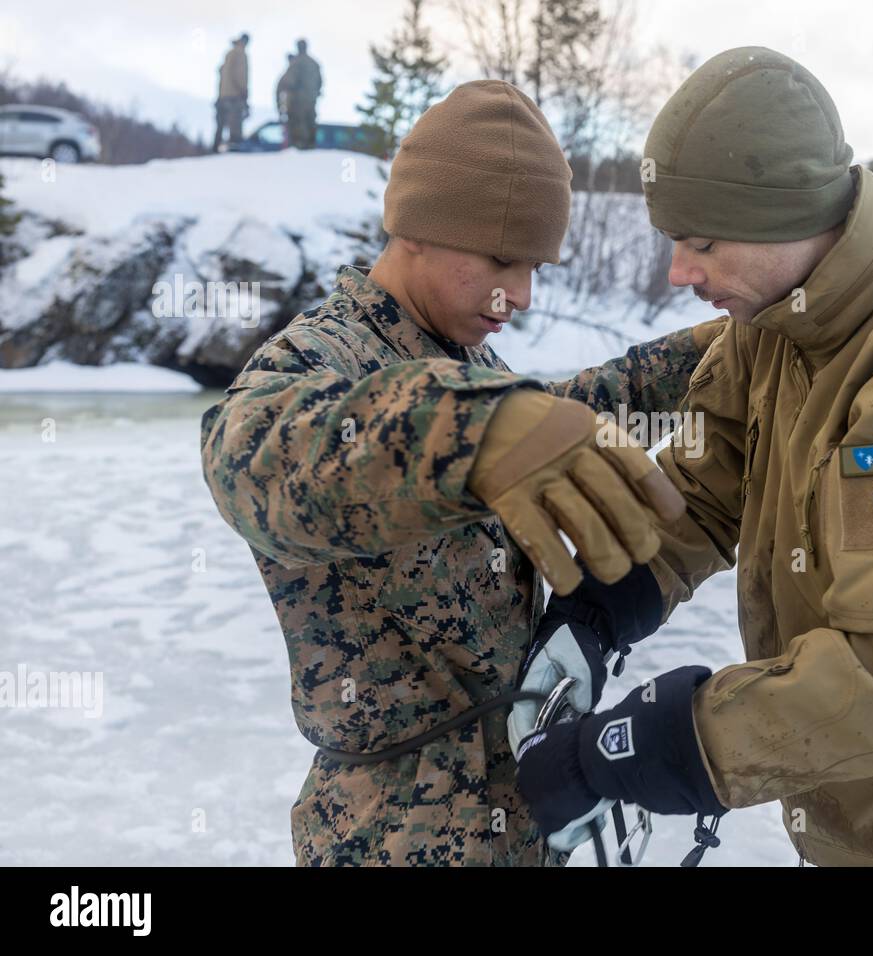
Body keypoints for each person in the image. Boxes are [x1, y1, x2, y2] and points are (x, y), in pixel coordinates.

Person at [516, 47, 873, 867]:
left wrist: (656, 740)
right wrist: (607, 603)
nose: (681, 272)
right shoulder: (779, 317)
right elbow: (706, 488)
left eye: (703, 242)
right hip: (854, 819)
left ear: (785, 215)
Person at [199, 79, 725, 866]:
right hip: (391, 833)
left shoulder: (463, 351)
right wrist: (474, 434)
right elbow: (252, 458)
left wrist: (729, 344)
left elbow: (569, 409)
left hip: (520, 809)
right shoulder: (319, 358)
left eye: (536, 266)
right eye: (502, 260)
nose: (520, 293)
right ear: (418, 224)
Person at [213, 33, 250, 152]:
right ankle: (234, 151)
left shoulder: (229, 54)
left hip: (223, 96)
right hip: (235, 96)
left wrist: (220, 95)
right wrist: (244, 91)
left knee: (220, 125)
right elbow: (240, 75)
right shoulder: (240, 54)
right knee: (235, 126)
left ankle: (215, 149)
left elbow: (221, 73)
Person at [283, 39, 322, 149]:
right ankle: (311, 144)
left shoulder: (296, 62)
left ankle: (300, 145)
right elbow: (320, 82)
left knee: (299, 121)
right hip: (312, 99)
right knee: (310, 120)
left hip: (298, 100)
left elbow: (289, 81)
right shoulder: (314, 63)